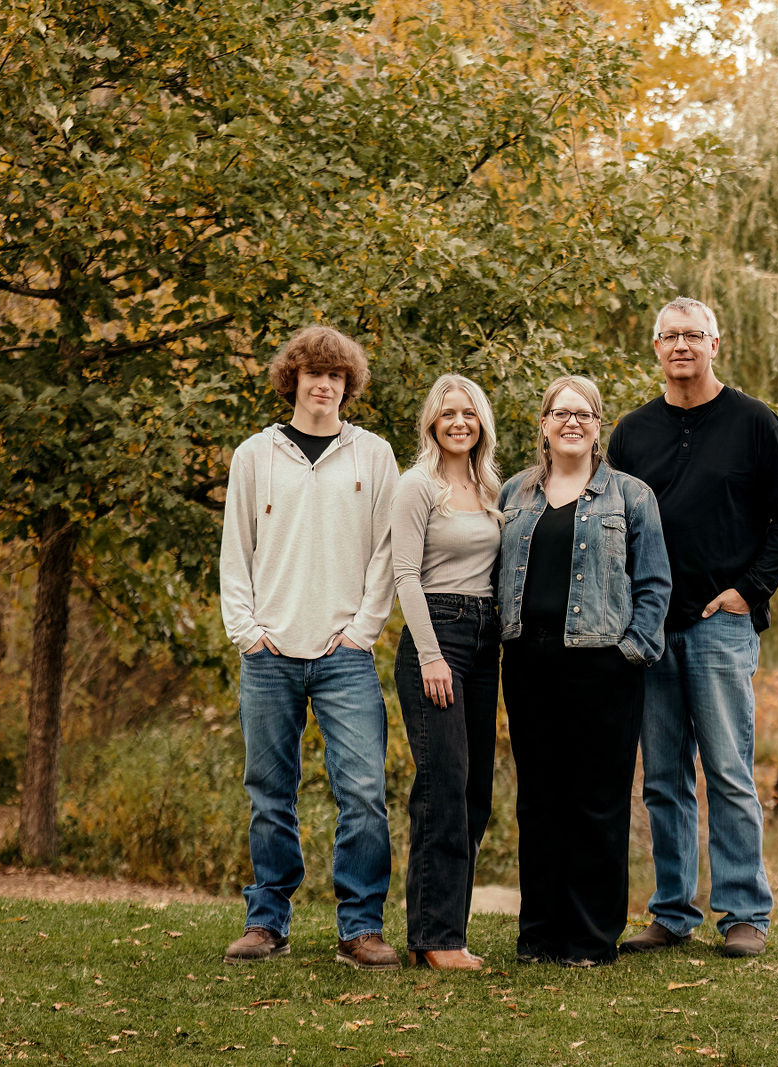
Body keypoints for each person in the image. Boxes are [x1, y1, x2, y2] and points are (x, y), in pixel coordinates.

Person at [608, 297, 778, 959]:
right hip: (651, 628)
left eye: (694, 334)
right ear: (656, 348)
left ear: (716, 342)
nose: (682, 346)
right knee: (663, 777)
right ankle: (671, 911)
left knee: (726, 770)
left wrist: (746, 593)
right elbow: (613, 527)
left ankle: (746, 912)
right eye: (670, 336)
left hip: (721, 626)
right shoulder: (632, 432)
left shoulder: (754, 423)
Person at [219, 325, 402, 970]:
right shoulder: (255, 456)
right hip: (269, 652)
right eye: (314, 375)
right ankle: (266, 920)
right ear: (293, 379)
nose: (325, 385)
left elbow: (388, 552)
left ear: (348, 387)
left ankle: (360, 927)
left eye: (337, 377)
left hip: (343, 652)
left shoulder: (375, 456)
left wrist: (363, 628)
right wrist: (248, 631)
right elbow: (235, 551)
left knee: (363, 792)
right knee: (270, 793)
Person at [497, 374, 671, 966]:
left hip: (603, 665)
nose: (572, 422)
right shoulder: (514, 494)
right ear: (543, 424)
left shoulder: (630, 495)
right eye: (560, 412)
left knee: (596, 801)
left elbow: (654, 586)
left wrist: (629, 654)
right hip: (527, 662)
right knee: (539, 799)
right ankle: (540, 934)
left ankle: (590, 938)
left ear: (599, 427)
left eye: (585, 414)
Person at [390, 375, 504, 971]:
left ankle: (446, 932)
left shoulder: (490, 488)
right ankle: (435, 939)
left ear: (481, 422)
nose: (459, 422)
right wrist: (432, 655)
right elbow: (404, 574)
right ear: (432, 422)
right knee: (443, 788)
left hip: (485, 641)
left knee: (475, 792)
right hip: (437, 638)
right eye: (447, 413)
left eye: (469, 413)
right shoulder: (417, 486)